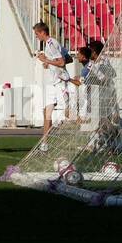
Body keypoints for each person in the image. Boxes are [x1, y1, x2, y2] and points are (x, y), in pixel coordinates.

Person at [33, 22, 71, 153]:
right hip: (53, 83)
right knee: (46, 113)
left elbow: (62, 62)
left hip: (60, 83)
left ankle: (78, 141)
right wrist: (49, 63)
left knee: (67, 115)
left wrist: (46, 60)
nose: (37, 36)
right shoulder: (51, 44)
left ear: (43, 32)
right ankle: (44, 144)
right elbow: (68, 58)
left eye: (37, 34)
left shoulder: (51, 43)